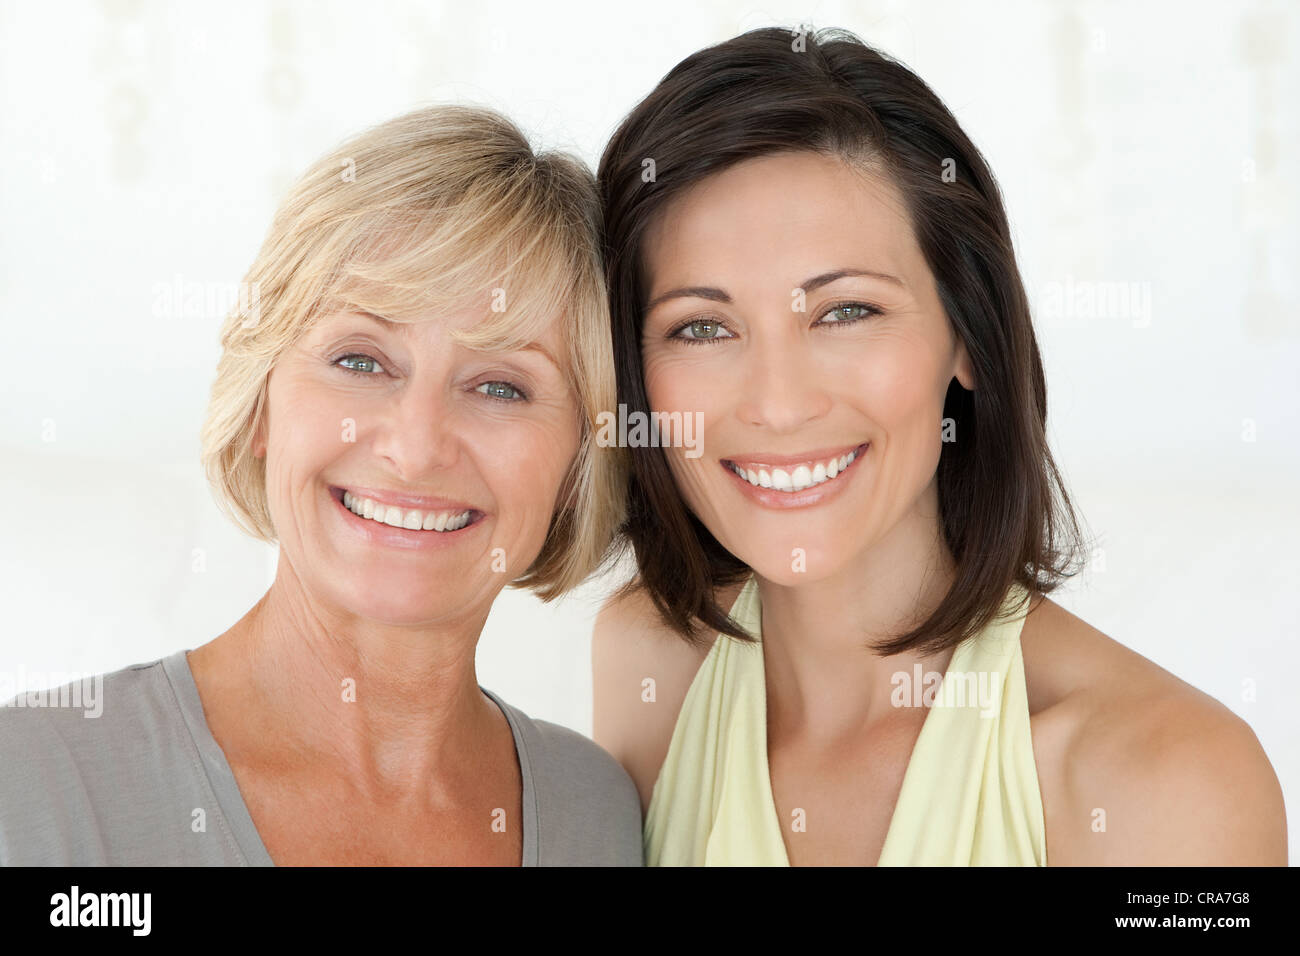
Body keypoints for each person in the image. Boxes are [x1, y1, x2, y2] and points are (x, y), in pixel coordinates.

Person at [592, 26, 1286, 865]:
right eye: (701, 327)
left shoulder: (1170, 782)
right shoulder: (652, 664)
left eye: (846, 311)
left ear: (966, 336)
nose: (778, 404)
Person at [0, 104, 642, 866]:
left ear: (578, 461)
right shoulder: (31, 785)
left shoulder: (599, 814)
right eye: (361, 361)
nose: (415, 448)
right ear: (262, 406)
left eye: (502, 386)